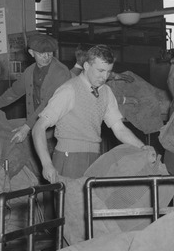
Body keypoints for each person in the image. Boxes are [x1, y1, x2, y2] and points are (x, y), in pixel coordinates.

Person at [31, 44, 156, 183]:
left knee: (95, 204)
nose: (105, 76)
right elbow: (38, 127)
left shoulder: (106, 92)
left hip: (95, 159)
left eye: (108, 72)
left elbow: (119, 129)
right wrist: (47, 164)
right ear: (86, 66)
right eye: (100, 71)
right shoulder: (69, 90)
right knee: (72, 204)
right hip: (69, 158)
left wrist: (142, 147)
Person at [0, 32, 70, 144]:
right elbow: (14, 92)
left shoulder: (61, 73)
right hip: (38, 123)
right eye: (42, 54)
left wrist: (26, 127)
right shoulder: (30, 71)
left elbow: (47, 103)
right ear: (31, 53)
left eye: (50, 53)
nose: (47, 57)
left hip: (58, 126)